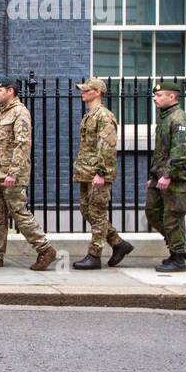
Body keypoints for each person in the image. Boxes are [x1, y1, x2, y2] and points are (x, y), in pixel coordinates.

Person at [0, 77, 58, 271]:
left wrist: (12, 173)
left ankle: (45, 249)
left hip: (10, 175)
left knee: (19, 213)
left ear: (10, 91)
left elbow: (23, 144)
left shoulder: (20, 113)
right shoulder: (3, 113)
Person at [71, 77, 133, 269]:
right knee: (86, 210)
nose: (82, 92)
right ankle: (118, 243)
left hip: (97, 173)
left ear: (97, 92)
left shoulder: (104, 116)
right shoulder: (90, 115)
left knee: (97, 213)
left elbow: (107, 146)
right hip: (85, 171)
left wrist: (101, 172)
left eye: (86, 90)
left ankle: (94, 255)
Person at [147, 80, 186, 272]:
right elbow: (161, 152)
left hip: (175, 179)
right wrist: (154, 176)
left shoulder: (179, 120)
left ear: (172, 97)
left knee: (172, 217)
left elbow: (181, 152)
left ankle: (178, 258)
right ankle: (180, 247)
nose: (155, 98)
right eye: (155, 95)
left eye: (159, 95)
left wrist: (167, 174)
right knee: (152, 212)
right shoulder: (165, 118)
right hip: (159, 176)